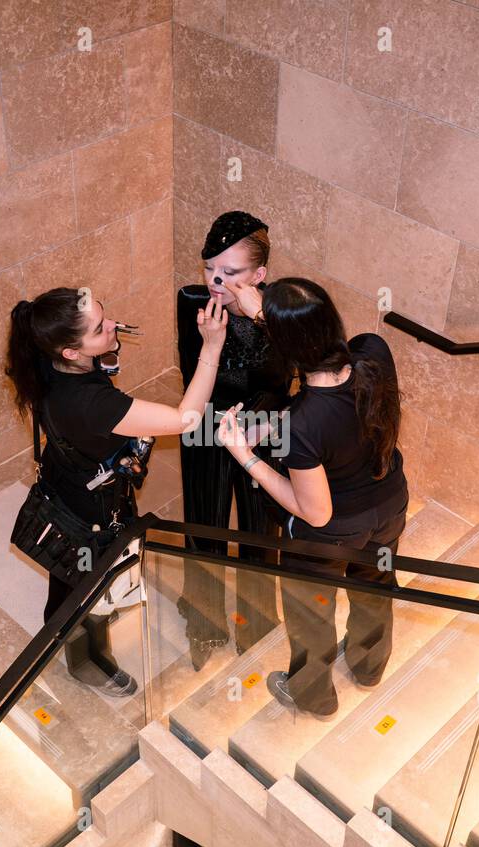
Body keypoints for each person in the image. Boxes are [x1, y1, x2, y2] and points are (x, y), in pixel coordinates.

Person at [7, 287, 228, 696]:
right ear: (71, 352)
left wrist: (102, 348)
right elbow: (185, 418)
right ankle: (85, 660)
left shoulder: (47, 359)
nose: (112, 325)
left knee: (68, 573)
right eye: (98, 329)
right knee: (88, 583)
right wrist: (211, 347)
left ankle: (60, 624)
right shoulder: (90, 404)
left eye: (104, 315)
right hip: (91, 508)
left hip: (66, 481)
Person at [216, 277, 408, 719]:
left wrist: (245, 456)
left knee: (312, 609)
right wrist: (268, 315)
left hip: (332, 534)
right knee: (375, 585)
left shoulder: (304, 424)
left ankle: (313, 695)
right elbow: (335, 397)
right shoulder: (372, 353)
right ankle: (368, 665)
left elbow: (315, 512)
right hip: (390, 505)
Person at [175, 211, 292, 668]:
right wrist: (213, 342)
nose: (216, 280)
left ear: (259, 275)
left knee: (260, 531)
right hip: (206, 425)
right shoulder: (191, 302)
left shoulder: (281, 311)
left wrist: (261, 322)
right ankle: (203, 623)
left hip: (264, 428)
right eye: (209, 268)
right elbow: (192, 376)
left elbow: (288, 380)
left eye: (230, 271)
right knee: (204, 522)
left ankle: (257, 623)